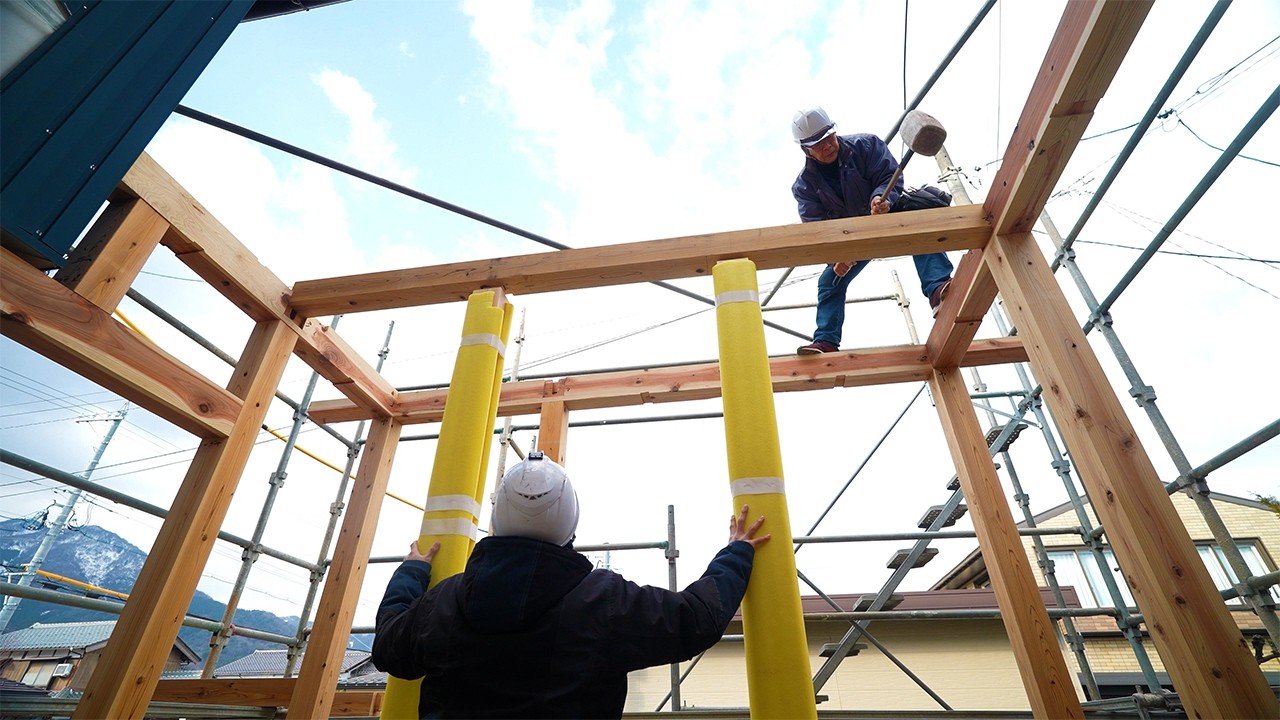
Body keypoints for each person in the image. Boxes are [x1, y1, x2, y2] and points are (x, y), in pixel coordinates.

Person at [372, 451, 772, 718]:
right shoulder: (602, 602)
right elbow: (696, 619)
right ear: (570, 525)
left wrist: (412, 572)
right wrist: (736, 553)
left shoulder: (444, 601)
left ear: (497, 520)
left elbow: (389, 648)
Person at [790, 106, 954, 355]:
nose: (827, 146)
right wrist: (836, 258)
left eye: (829, 137)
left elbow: (888, 175)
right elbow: (816, 228)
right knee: (830, 281)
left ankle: (938, 290)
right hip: (853, 237)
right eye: (818, 144)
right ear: (806, 149)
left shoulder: (866, 145)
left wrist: (881, 198)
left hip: (889, 217)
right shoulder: (805, 186)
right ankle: (826, 341)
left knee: (917, 227)